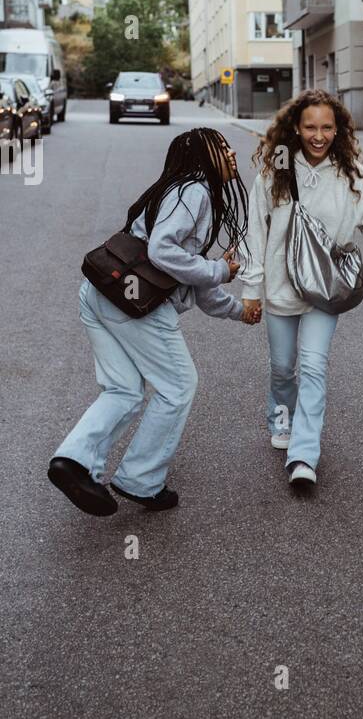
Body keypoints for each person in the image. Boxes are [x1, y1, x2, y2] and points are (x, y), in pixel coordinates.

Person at [48, 128, 258, 517]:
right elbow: (164, 251)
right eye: (223, 148)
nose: (232, 154)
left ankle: (73, 462)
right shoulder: (195, 190)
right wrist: (219, 269)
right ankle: (140, 480)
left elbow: (196, 280)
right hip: (132, 304)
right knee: (179, 385)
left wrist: (236, 308)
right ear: (202, 158)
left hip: (100, 292)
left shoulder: (179, 188)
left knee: (123, 390)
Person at [241, 89, 363, 487]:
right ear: (296, 129)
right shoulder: (275, 171)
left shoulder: (353, 174)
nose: (319, 136)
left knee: (314, 366)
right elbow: (255, 230)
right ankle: (281, 417)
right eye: (310, 128)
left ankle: (304, 456)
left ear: (338, 130)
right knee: (283, 367)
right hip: (283, 288)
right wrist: (252, 288)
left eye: (327, 128)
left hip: (325, 289)